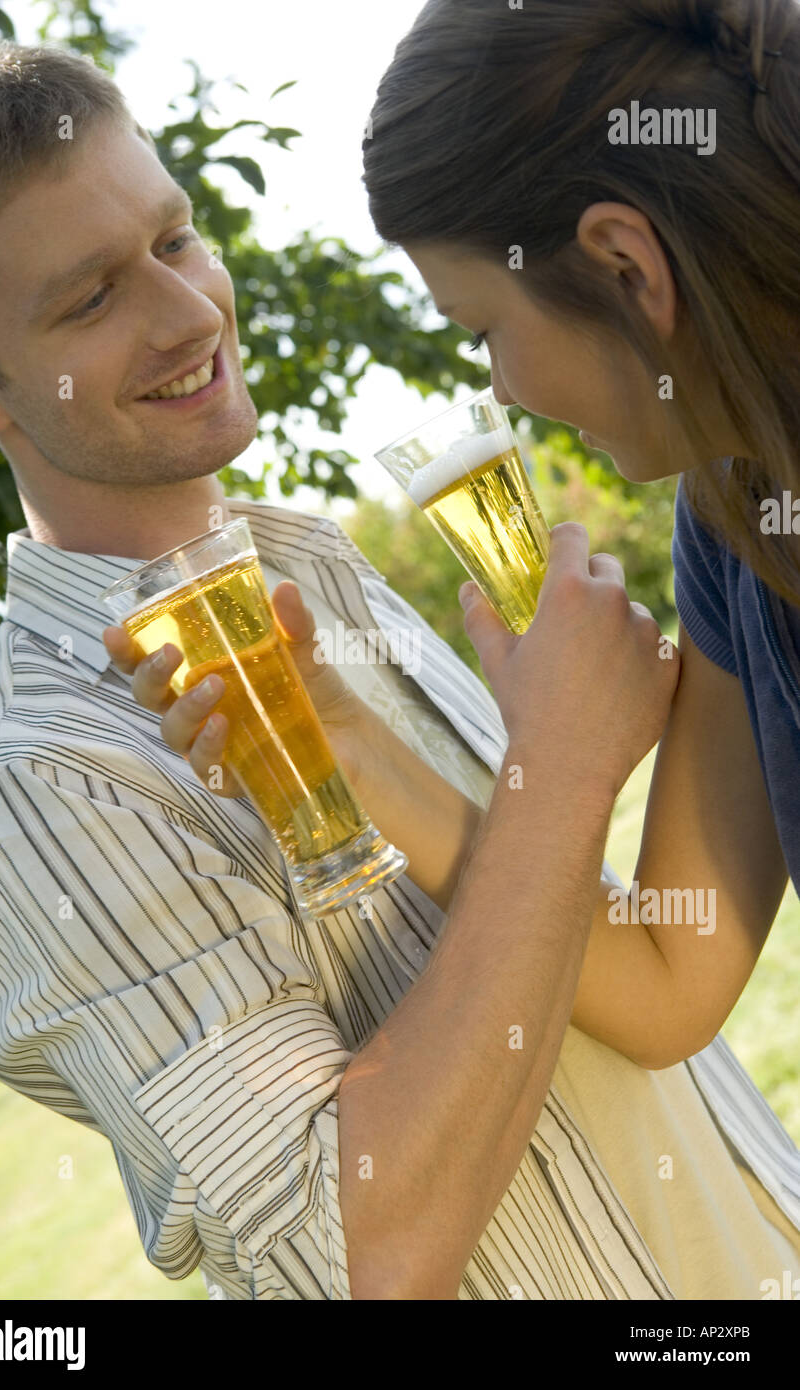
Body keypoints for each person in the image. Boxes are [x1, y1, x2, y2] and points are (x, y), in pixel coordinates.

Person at [0, 37, 797, 1303]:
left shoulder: (315, 574)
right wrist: (556, 769)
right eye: (90, 298)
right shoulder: (37, 795)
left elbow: (650, 988)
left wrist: (435, 763)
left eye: (175, 242)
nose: (189, 316)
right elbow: (361, 1269)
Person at [359, 0, 800, 1076]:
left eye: (483, 333)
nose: (501, 389)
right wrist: (342, 738)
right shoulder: (732, 523)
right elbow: (667, 977)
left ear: (623, 265)